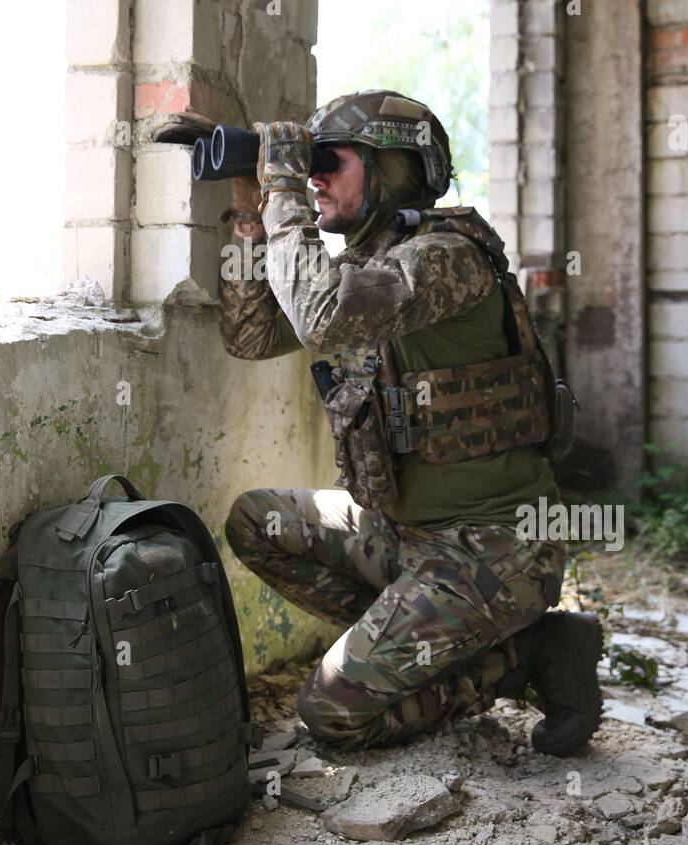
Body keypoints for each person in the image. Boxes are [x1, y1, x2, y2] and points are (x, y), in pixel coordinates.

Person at [218, 89, 602, 755]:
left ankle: (526, 655)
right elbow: (252, 336)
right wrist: (253, 219)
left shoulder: (446, 258)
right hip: (404, 534)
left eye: (329, 161)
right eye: (309, 165)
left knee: (332, 713)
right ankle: (422, 646)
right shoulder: (358, 269)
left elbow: (322, 317)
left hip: (492, 552)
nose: (313, 177)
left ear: (393, 167)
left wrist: (282, 187)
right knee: (256, 521)